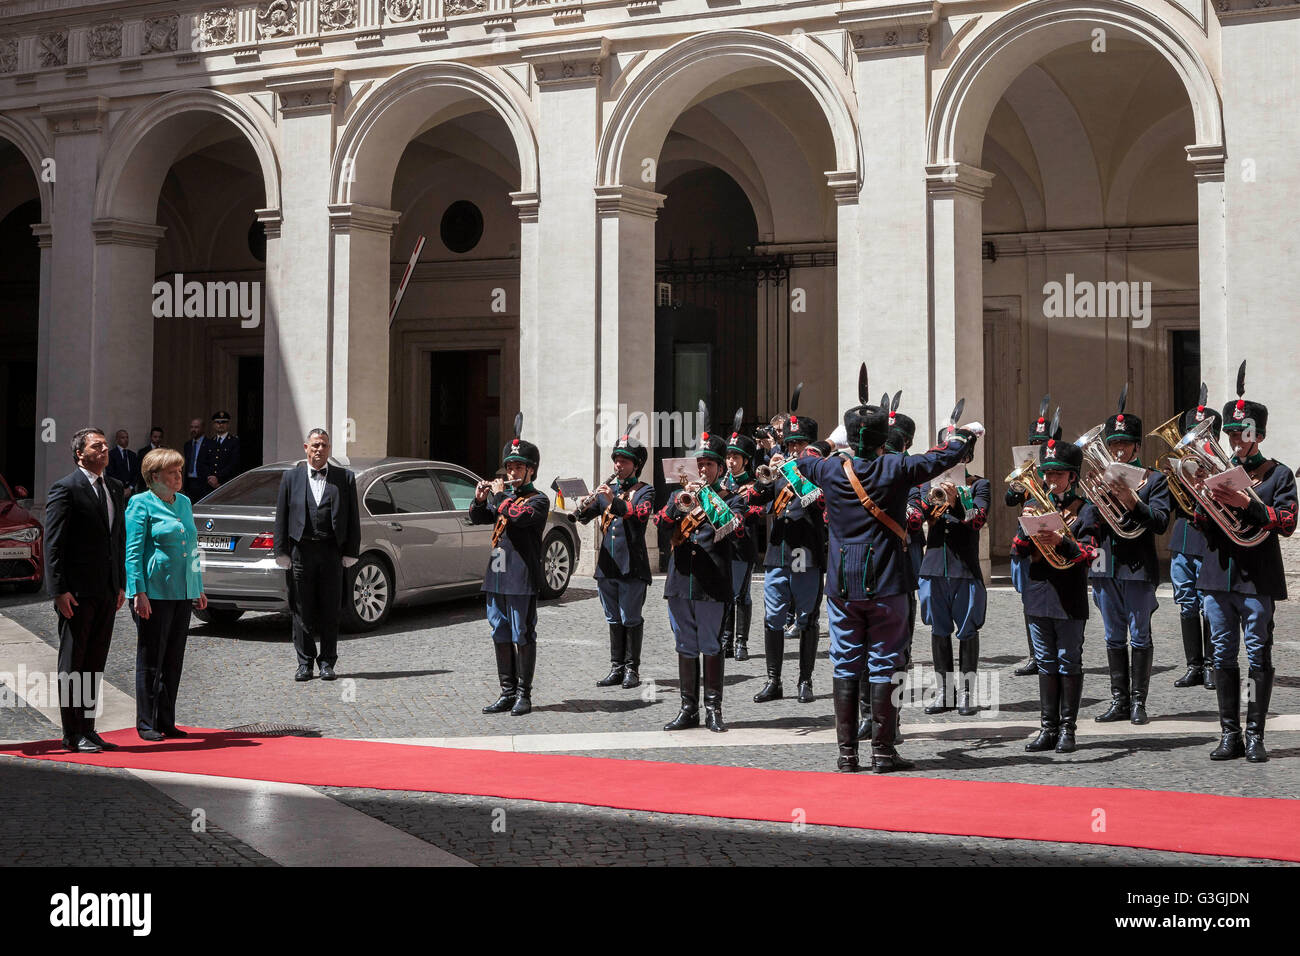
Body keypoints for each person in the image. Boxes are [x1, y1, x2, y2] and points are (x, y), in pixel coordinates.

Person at [795, 402, 980, 772]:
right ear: (886, 440)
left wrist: (831, 443)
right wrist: (966, 433)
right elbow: (945, 456)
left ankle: (847, 754)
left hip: (843, 584)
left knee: (846, 663)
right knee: (885, 663)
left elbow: (804, 457)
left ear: (850, 438)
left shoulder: (829, 468)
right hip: (887, 581)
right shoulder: (897, 467)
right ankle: (882, 752)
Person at [1194, 363, 1295, 763]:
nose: (1236, 440)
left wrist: (1249, 504)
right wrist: (1204, 499)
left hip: (1257, 578)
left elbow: (1287, 521)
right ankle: (1229, 732)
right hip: (1219, 575)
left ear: (1260, 435)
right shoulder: (1216, 471)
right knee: (1222, 655)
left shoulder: (1279, 474)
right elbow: (1199, 522)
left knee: (1258, 654)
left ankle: (1255, 734)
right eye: (1232, 433)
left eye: (1244, 433)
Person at [1010, 420, 1101, 755]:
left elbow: (1089, 553)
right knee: (1046, 661)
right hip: (1037, 591)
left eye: (1057, 475)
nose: (1049, 480)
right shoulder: (1034, 505)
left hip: (1068, 594)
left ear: (1072, 477)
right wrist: (1025, 531)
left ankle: (1068, 729)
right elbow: (1017, 551)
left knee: (1068, 659)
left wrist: (1062, 540)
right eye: (1047, 474)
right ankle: (1047, 728)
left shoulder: (1086, 510)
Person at [1088, 392, 1171, 726]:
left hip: (1137, 567)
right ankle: (1118, 700)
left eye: (1125, 445)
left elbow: (1161, 521)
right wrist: (1095, 499)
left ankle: (1139, 702)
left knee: (1139, 634)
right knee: (1111, 635)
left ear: (1137, 447)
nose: (1119, 450)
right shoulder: (1097, 481)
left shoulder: (1154, 480)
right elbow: (1087, 523)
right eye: (1114, 445)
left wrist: (1132, 501)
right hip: (1105, 565)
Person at [43, 427, 127, 754]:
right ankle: (72, 732)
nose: (105, 449)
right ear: (80, 453)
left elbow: (116, 540)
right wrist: (59, 590)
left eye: (105, 445)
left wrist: (120, 583)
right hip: (76, 591)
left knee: (94, 662)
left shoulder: (115, 488)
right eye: (97, 446)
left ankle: (89, 729)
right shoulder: (66, 489)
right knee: (73, 662)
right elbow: (53, 544)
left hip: (106, 590)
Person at [655, 414, 737, 733]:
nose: (702, 469)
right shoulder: (679, 495)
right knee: (685, 645)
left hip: (712, 584)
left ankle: (713, 709)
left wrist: (708, 496)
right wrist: (678, 505)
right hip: (680, 581)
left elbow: (736, 533)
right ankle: (687, 709)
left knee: (711, 645)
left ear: (720, 468)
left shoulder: (730, 498)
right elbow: (661, 525)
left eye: (709, 464)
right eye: (698, 463)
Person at [743, 400, 826, 704]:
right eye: (790, 444)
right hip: (779, 550)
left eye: (800, 443)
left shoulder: (819, 471)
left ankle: (805, 681)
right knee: (773, 616)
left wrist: (794, 473)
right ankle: (773, 680)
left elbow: (820, 502)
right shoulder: (780, 469)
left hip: (807, 549)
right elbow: (757, 493)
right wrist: (765, 476)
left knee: (807, 616)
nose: (794, 450)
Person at [125, 448, 206, 741]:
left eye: (180, 471)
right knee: (151, 658)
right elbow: (132, 552)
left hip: (181, 591)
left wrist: (197, 587)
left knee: (173, 658)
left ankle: (166, 720)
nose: (178, 477)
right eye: (172, 472)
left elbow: (194, 548)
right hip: (154, 592)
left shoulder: (184, 502)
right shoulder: (139, 504)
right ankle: (146, 722)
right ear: (154, 476)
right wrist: (138, 592)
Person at [471, 422, 549, 716]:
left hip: (521, 576)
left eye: (519, 467)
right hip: (497, 574)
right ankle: (506, 691)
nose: (512, 473)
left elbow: (517, 516)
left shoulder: (538, 500)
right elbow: (479, 516)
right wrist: (480, 499)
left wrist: (500, 495)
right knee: (499, 632)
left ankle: (524, 694)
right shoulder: (504, 497)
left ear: (531, 470)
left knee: (523, 633)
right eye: (510, 467)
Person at [913, 426, 991, 717]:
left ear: (967, 457)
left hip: (965, 569)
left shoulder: (978, 485)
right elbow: (917, 515)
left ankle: (968, 694)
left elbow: (977, 520)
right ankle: (945, 692)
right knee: (939, 630)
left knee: (968, 630)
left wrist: (957, 502)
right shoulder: (926, 486)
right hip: (933, 567)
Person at [273, 428, 361, 682]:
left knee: (330, 608)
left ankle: (327, 662)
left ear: (329, 448)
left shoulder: (344, 478)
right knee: (301, 608)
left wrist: (350, 551)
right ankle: (305, 663)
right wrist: (282, 551)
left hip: (331, 551)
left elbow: (353, 518)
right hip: (301, 551)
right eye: (314, 445)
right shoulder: (291, 478)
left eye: (323, 445)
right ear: (305, 447)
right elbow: (282, 516)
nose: (319, 449)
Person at [572, 428, 654, 689]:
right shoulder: (609, 490)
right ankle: (616, 667)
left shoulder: (645, 491)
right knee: (613, 618)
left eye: (624, 461)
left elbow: (637, 515)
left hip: (632, 564)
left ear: (636, 465)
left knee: (631, 617)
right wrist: (583, 503)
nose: (618, 465)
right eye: (616, 460)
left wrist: (610, 499)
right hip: (607, 566)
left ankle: (632, 669)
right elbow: (584, 517)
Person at [1169, 388, 1219, 690]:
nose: (1195, 440)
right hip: (1183, 539)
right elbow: (1171, 506)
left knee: (1207, 604)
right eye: (1191, 434)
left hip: (1210, 540)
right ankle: (1194, 666)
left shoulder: (1221, 464)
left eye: (1201, 433)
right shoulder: (1181, 465)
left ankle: (1213, 665)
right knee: (1186, 602)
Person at [1008, 396, 1053, 676]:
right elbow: (1007, 499)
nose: (1037, 448)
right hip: (1026, 542)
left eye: (1042, 443)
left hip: (1050, 543)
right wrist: (1019, 486)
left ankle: (1051, 652)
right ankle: (1035, 653)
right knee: (1029, 601)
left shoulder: (1063, 470)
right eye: (1033, 443)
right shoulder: (1025, 469)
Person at [720, 415, 761, 662]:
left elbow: (758, 514)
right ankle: (725, 640)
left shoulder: (754, 485)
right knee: (724, 593)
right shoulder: (721, 484)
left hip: (742, 545)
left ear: (745, 460)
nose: (731, 461)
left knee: (740, 594)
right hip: (722, 545)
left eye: (735, 457)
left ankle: (740, 642)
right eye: (728, 457)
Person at [199, 410, 242, 494]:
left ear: (228, 424)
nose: (220, 425)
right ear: (213, 425)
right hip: (209, 485)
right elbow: (202, 463)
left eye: (224, 422)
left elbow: (234, 464)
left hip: (226, 484)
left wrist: (218, 478)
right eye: (217, 422)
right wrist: (210, 478)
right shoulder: (209, 442)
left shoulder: (234, 442)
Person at [105, 430, 139, 497]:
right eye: (123, 438)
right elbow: (110, 474)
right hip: (117, 491)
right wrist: (122, 489)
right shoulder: (111, 454)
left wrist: (130, 487)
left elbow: (136, 473)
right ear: (117, 440)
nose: (126, 440)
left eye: (127, 437)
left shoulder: (132, 454)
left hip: (131, 491)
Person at [182, 418, 209, 502]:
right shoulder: (188, 445)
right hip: (190, 483)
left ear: (203, 428)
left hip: (203, 483)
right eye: (191, 427)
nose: (193, 430)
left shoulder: (210, 444)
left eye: (196, 427)